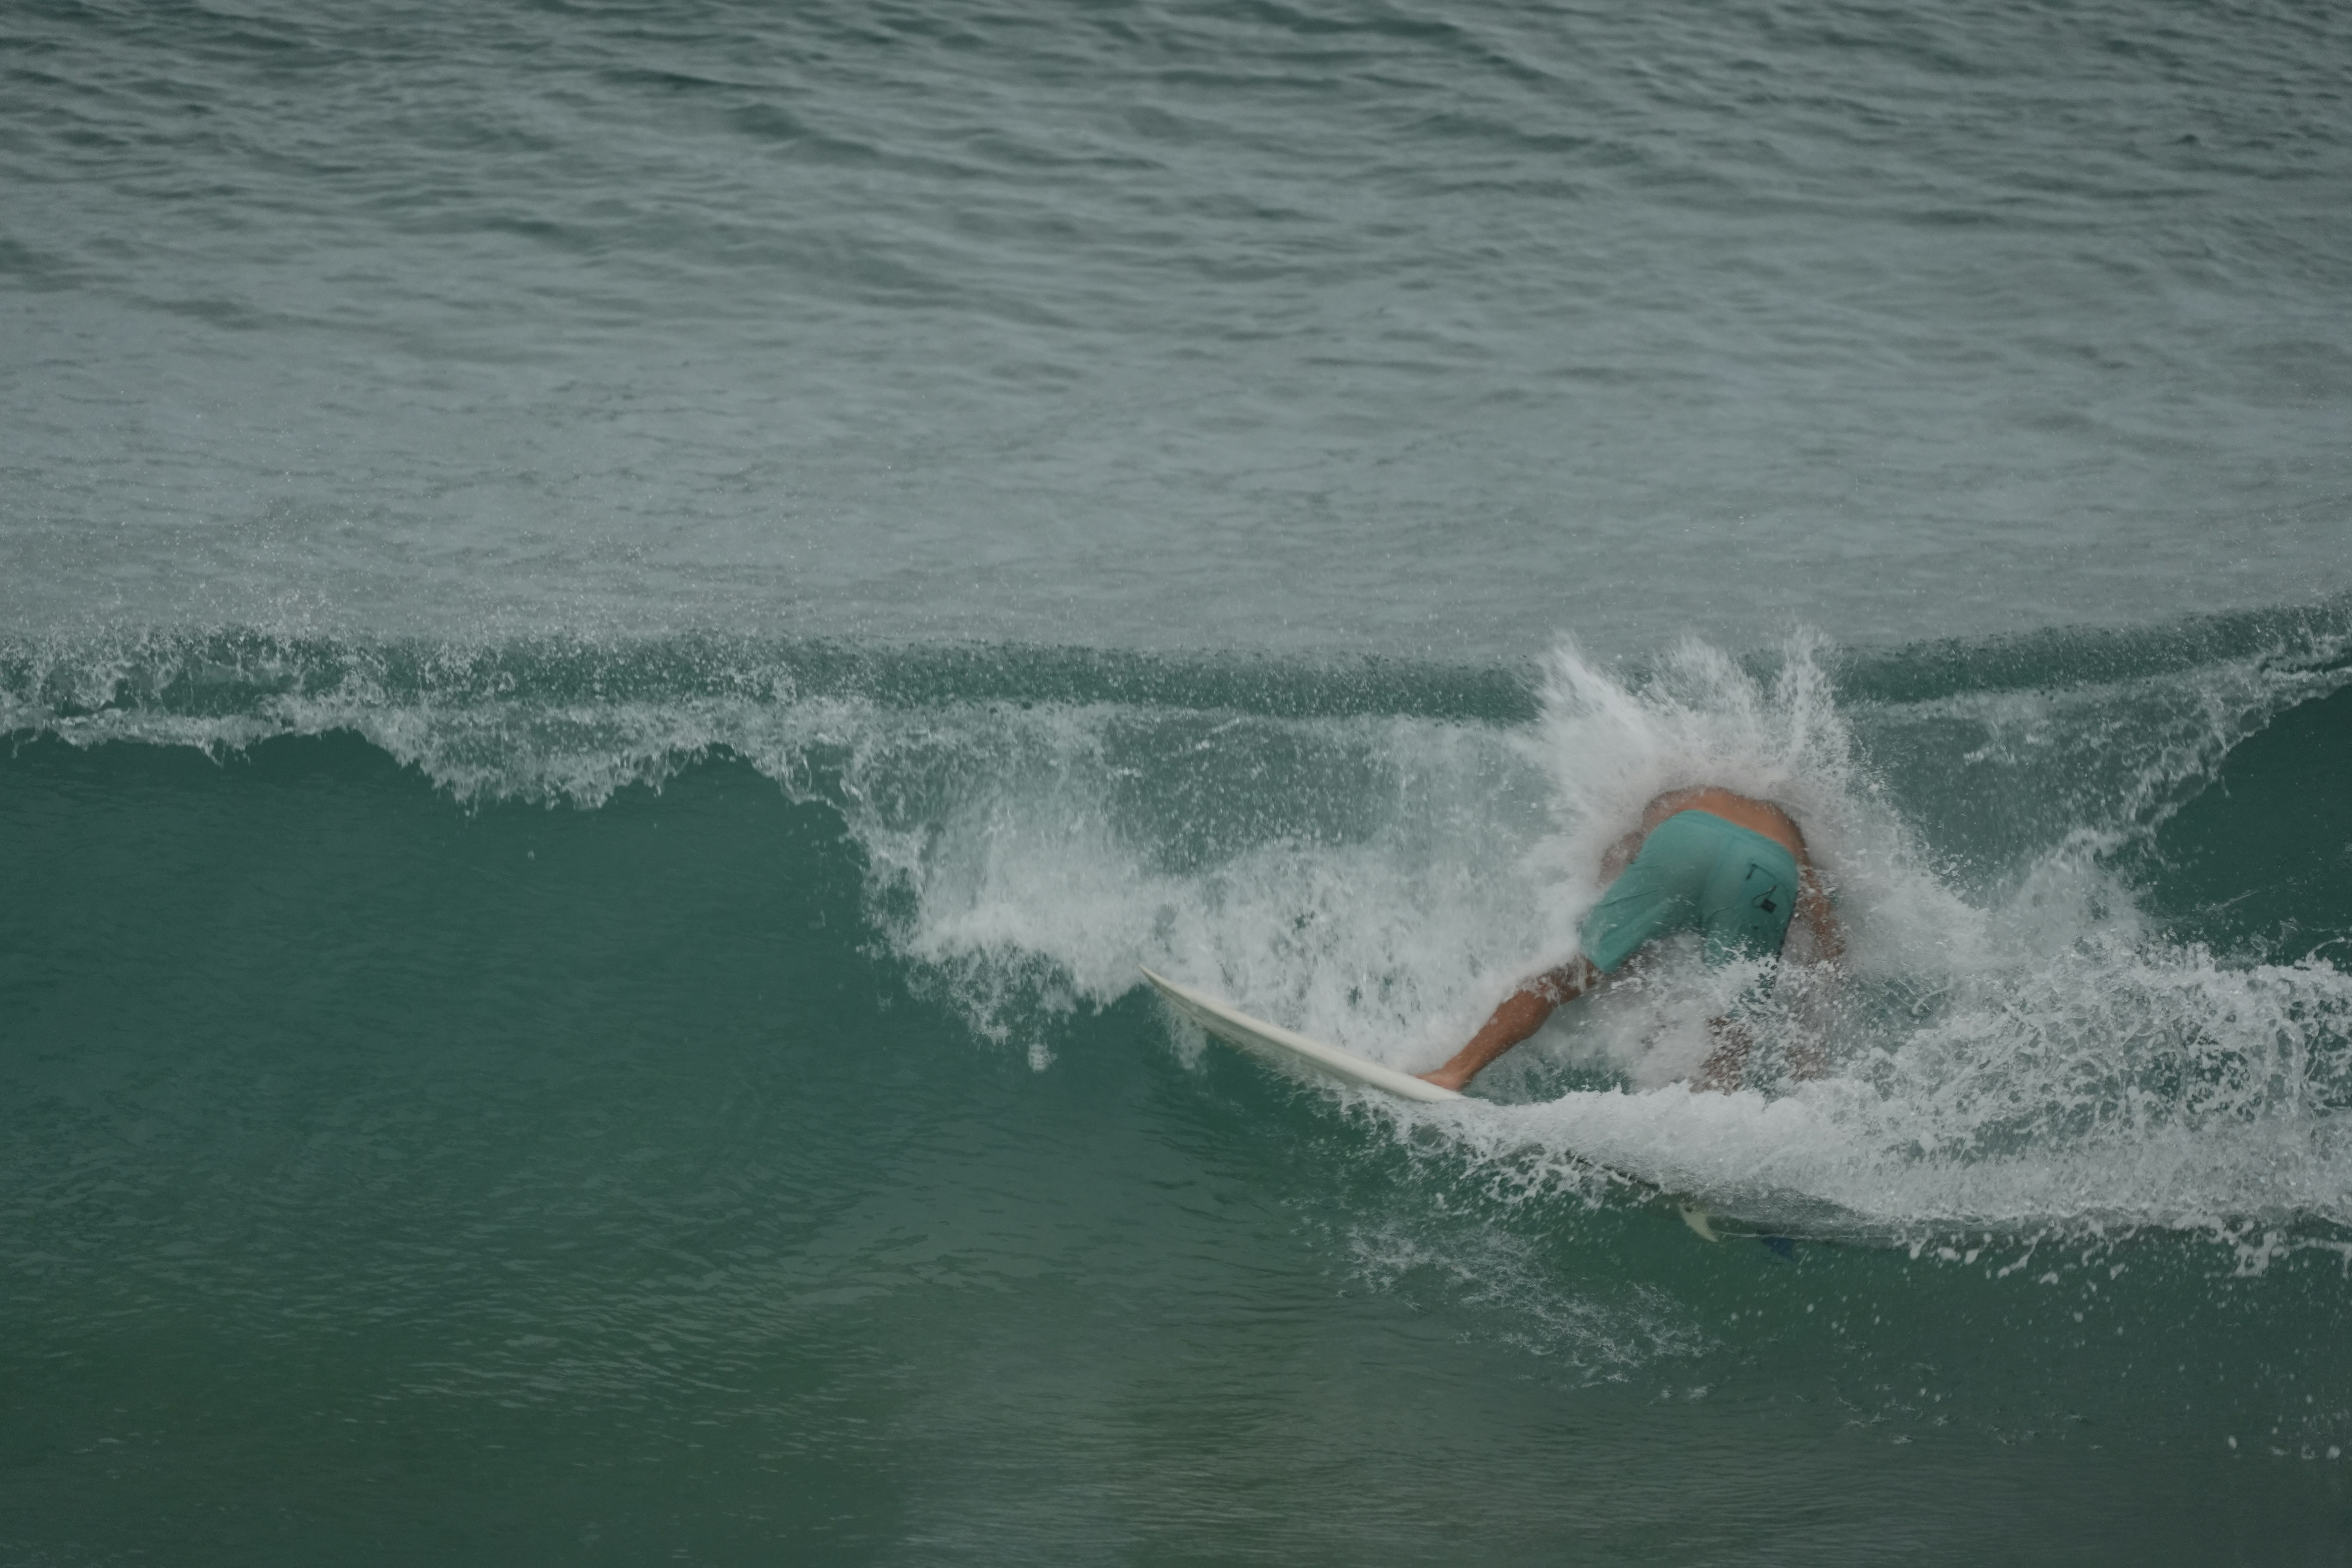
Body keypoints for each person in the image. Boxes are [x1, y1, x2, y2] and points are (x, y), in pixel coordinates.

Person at [1417, 786, 1844, 1094]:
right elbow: (1821, 919)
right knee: (1735, 1025)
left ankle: (1453, 1072)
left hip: (1685, 839)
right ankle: (1700, 1142)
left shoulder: (1679, 796)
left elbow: (1621, 859)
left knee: (1575, 971)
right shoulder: (1786, 829)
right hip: (1767, 869)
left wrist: (1608, 940)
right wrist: (1822, 991)